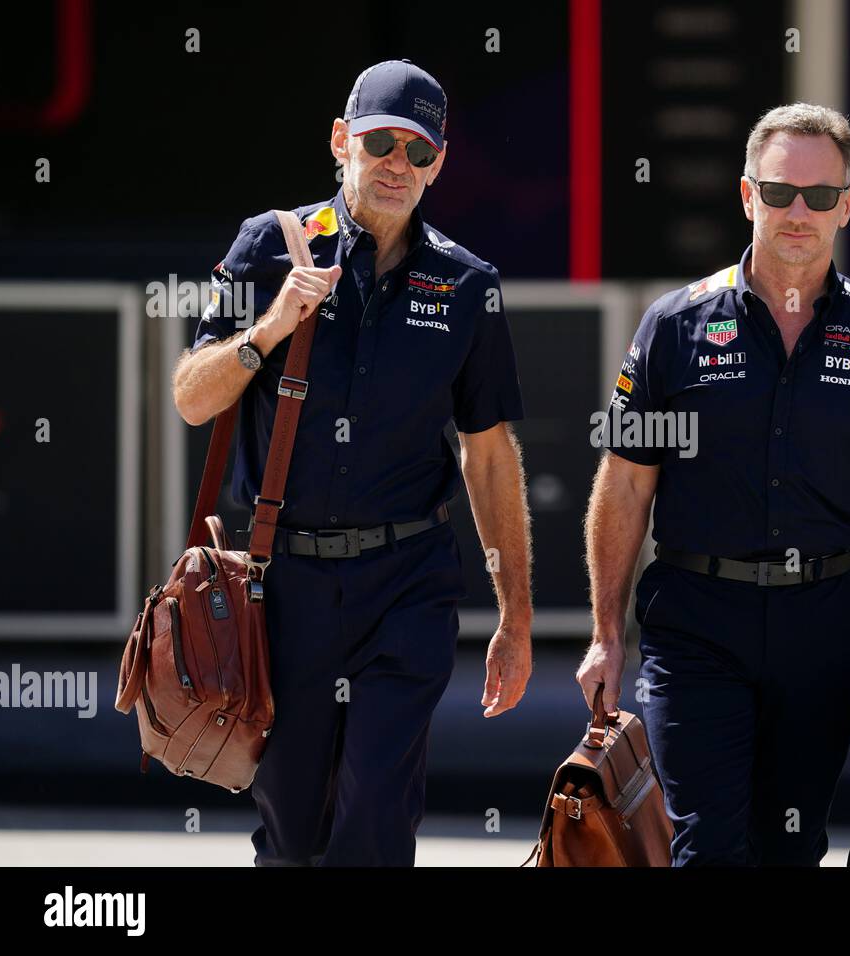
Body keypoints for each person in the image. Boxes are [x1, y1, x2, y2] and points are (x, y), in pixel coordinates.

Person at [577, 103, 850, 866]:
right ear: (747, 195)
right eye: (780, 191)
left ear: (846, 205)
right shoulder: (674, 326)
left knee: (791, 845)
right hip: (695, 620)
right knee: (707, 845)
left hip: (821, 621)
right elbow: (623, 486)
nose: (799, 212)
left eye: (820, 196)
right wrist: (605, 633)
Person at [172, 59, 532, 866]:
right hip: (285, 585)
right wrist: (270, 326)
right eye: (380, 143)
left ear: (440, 162)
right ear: (342, 141)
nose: (398, 164)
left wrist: (515, 615)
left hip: (409, 580)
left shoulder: (468, 283)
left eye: (419, 149)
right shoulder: (272, 244)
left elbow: (489, 456)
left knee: (375, 807)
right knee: (294, 829)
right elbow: (194, 397)